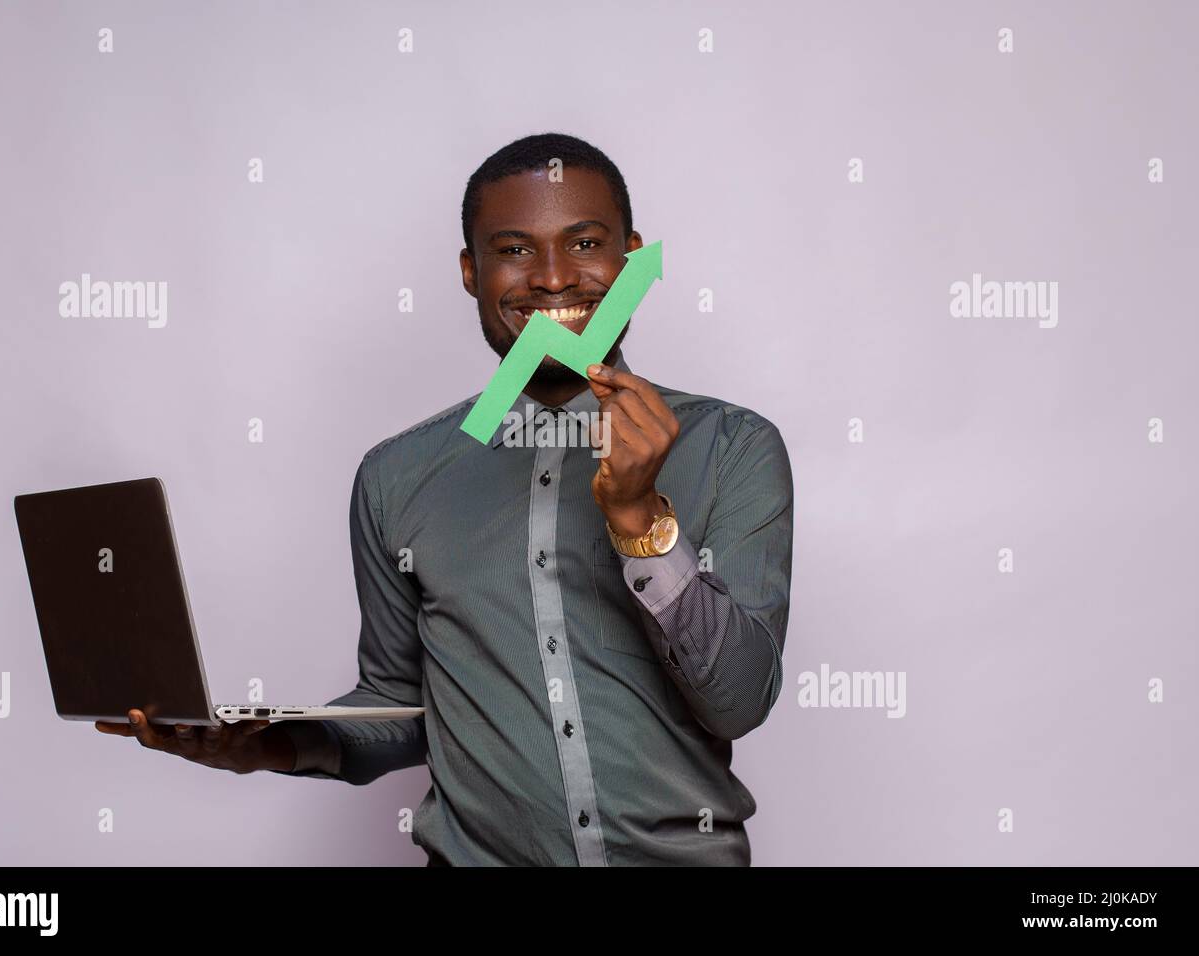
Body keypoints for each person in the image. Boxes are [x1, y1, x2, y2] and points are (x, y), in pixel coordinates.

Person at [97, 132, 794, 866]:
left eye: (585, 242)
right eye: (515, 249)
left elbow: (738, 699)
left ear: (630, 258)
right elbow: (399, 708)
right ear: (472, 271)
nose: (554, 279)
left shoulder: (732, 448)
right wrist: (269, 743)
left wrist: (640, 518)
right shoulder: (397, 476)